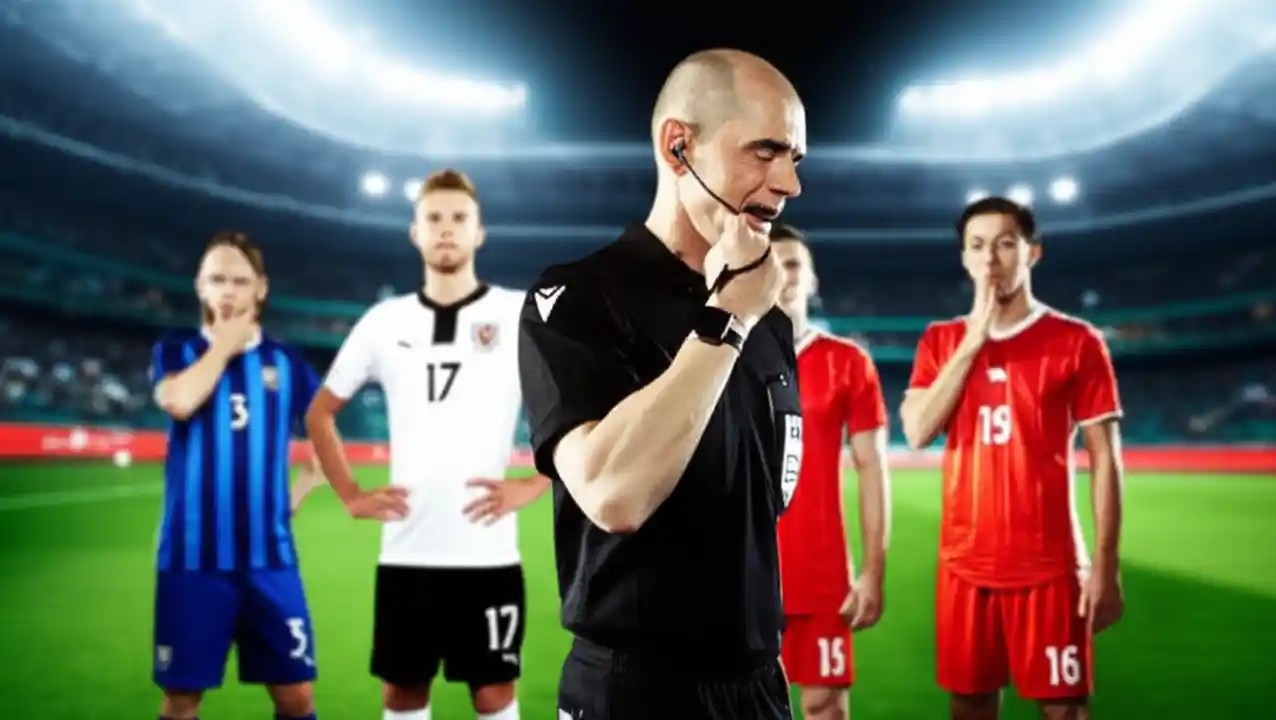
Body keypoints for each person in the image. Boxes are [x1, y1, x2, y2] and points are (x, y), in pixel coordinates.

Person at [517, 48, 805, 720]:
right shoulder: (578, 297)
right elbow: (612, 493)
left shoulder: (768, 316)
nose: (790, 182)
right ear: (678, 147)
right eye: (765, 152)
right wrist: (726, 317)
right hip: (634, 689)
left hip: (758, 684)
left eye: (796, 158)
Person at [303, 168, 546, 720]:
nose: (446, 228)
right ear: (415, 233)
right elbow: (320, 412)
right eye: (433, 218)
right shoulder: (384, 321)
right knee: (403, 694)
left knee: (494, 694)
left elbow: (579, 400)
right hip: (406, 553)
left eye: (459, 217)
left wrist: (535, 484)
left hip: (487, 554)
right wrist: (351, 495)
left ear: (479, 232)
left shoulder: (517, 312)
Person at [900, 197, 1125, 720]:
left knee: (1064, 709)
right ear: (964, 258)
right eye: (977, 246)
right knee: (970, 705)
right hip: (964, 566)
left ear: (1032, 252)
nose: (990, 259)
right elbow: (916, 431)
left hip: (1050, 567)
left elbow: (1106, 460)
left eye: (1005, 244)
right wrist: (974, 340)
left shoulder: (1077, 341)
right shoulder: (940, 341)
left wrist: (1106, 565)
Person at [149, 231, 325, 720]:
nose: (228, 290)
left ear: (261, 288)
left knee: (297, 696)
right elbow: (179, 401)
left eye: (240, 280)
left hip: (271, 559)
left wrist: (296, 496)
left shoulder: (286, 363)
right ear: (200, 286)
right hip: (192, 559)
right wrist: (224, 347)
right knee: (182, 699)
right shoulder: (176, 350)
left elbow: (322, 440)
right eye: (217, 279)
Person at [770, 225, 890, 720]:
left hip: (822, 575)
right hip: (744, 578)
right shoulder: (723, 362)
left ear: (812, 279)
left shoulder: (847, 362)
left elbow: (872, 468)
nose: (782, 274)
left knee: (826, 708)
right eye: (769, 263)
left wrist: (874, 570)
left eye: (793, 264)